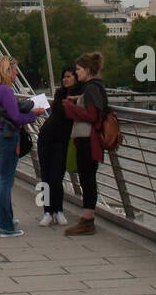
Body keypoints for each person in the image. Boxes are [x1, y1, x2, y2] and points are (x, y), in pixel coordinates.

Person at [0, 55, 43, 237]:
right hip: (6, 137)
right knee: (5, 182)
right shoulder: (5, 91)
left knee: (4, 179)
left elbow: (5, 112)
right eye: (15, 70)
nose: (17, 74)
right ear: (7, 70)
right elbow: (16, 118)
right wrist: (34, 114)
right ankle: (5, 226)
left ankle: (7, 218)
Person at [62, 51, 109, 237]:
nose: (77, 73)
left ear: (88, 70)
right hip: (88, 140)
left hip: (88, 140)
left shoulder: (91, 88)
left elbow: (92, 115)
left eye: (79, 69)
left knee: (87, 179)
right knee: (87, 178)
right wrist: (77, 101)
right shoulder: (93, 88)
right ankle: (87, 218)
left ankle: (88, 220)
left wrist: (71, 108)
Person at [36, 65, 78, 226]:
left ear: (75, 77)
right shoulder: (60, 93)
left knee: (57, 176)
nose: (65, 79)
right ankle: (47, 212)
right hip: (46, 137)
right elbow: (65, 111)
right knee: (45, 176)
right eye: (64, 76)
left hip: (62, 140)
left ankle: (58, 210)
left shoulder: (81, 94)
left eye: (69, 76)